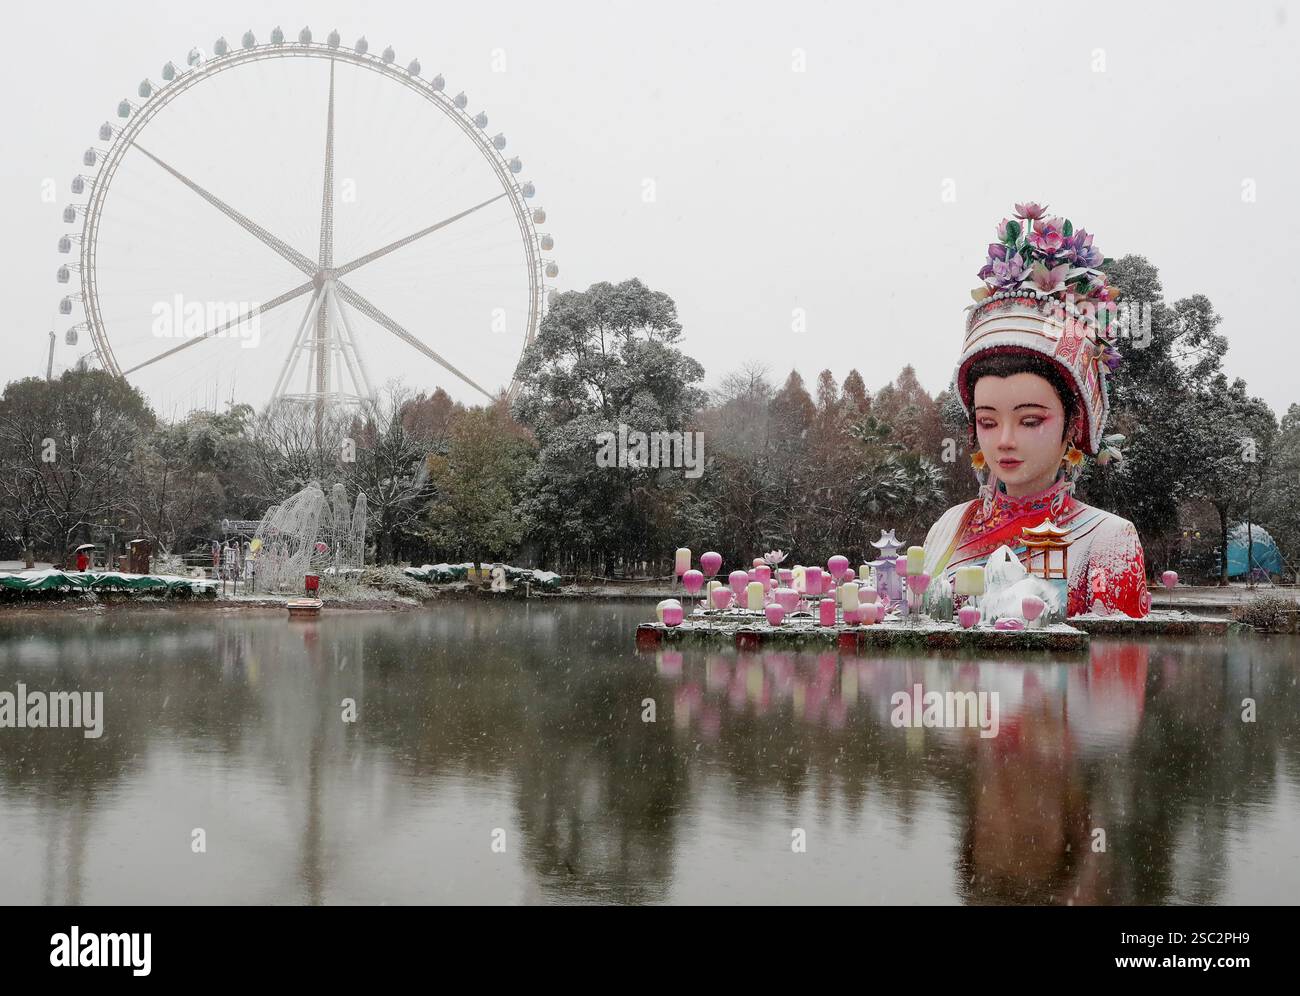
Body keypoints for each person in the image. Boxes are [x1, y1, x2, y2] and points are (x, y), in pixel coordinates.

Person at [921, 201, 1151, 618]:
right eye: (988, 421)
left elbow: (1115, 673)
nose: (1005, 440)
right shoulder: (949, 527)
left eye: (1030, 420)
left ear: (1073, 424)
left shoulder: (1106, 539)